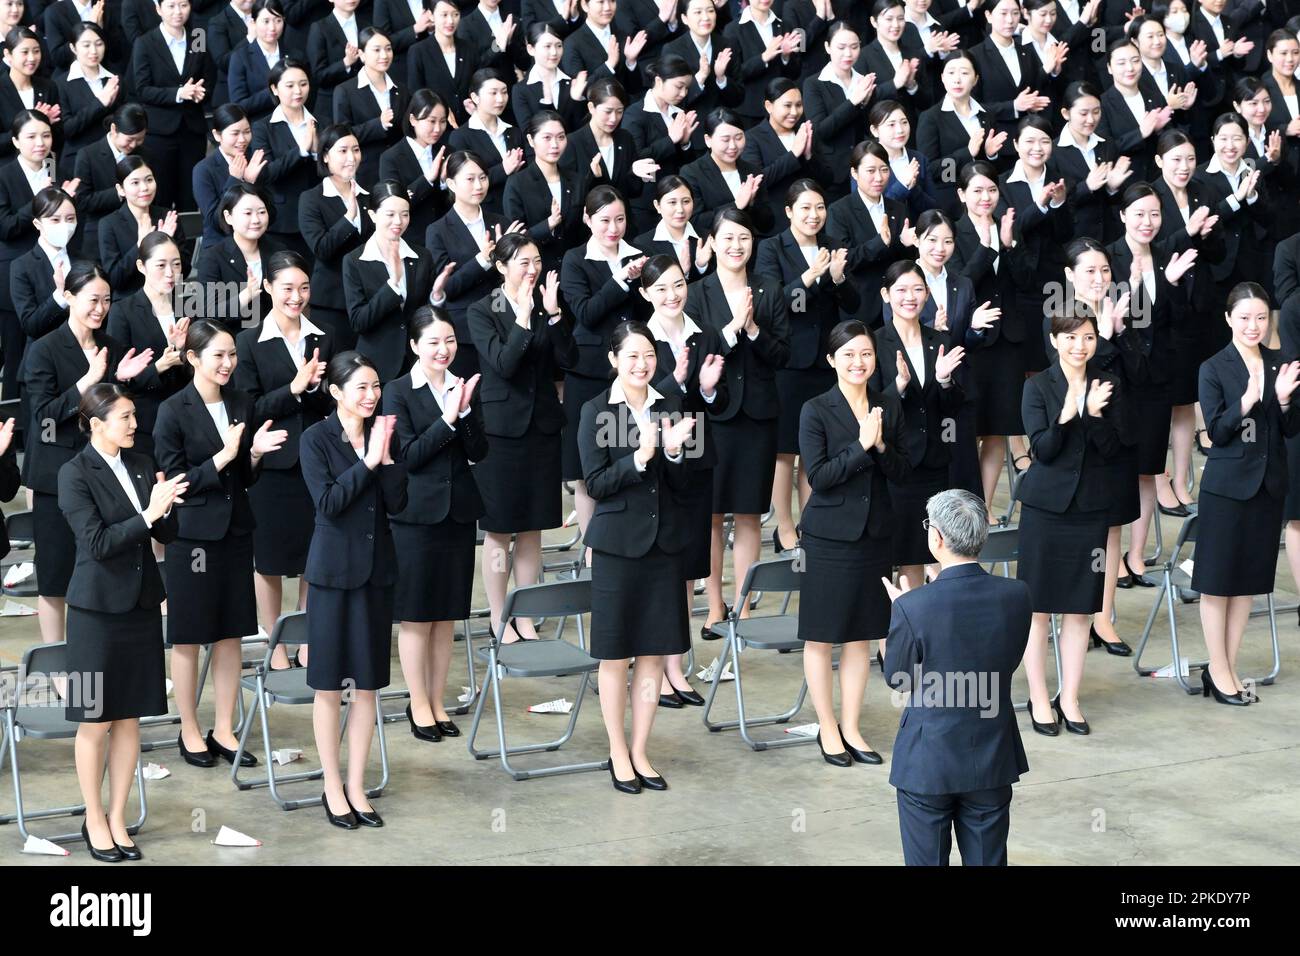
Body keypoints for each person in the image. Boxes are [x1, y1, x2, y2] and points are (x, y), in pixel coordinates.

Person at [58, 384, 187, 862]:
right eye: (126, 417)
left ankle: (117, 815)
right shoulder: (75, 474)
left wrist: (167, 506)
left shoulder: (139, 461)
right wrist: (148, 513)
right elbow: (96, 542)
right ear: (97, 424)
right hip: (95, 611)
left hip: (140, 605)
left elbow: (164, 532)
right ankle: (94, 818)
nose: (135, 425)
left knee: (129, 716)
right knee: (95, 720)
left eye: (135, 416)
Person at [153, 320, 287, 767]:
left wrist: (251, 455)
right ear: (193, 358)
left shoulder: (241, 403)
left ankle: (225, 728)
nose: (228, 363)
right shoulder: (172, 410)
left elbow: (242, 478)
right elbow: (175, 483)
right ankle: (189, 729)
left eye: (232, 354)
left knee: (231, 634)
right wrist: (224, 456)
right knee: (190, 637)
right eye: (219, 356)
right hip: (191, 537)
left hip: (234, 531)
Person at [882, 488, 1032, 867]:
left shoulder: (913, 606)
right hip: (992, 752)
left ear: (937, 538)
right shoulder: (1017, 595)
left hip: (928, 760)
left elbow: (898, 678)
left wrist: (900, 616)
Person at [578, 319, 698, 793]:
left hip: (663, 546)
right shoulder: (593, 410)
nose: (641, 364)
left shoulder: (671, 407)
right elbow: (597, 483)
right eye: (631, 356)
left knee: (651, 655)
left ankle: (641, 749)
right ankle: (616, 750)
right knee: (616, 656)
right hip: (616, 548)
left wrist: (672, 455)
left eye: (648, 355)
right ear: (613, 360)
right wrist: (642, 457)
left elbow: (689, 482)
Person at [23, 262, 158, 649]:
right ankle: (57, 665)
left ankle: (101, 654)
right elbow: (44, 415)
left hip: (107, 471)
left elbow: (115, 410)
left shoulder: (112, 346)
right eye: (92, 299)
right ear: (68, 297)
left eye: (107, 300)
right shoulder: (44, 348)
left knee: (104, 566)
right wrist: (90, 380)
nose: (100, 308)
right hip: (57, 474)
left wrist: (124, 379)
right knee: (56, 573)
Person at [300, 350, 408, 829]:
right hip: (331, 575)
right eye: (361, 388)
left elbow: (400, 500)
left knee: (367, 687)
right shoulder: (315, 439)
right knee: (329, 686)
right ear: (336, 392)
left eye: (376, 386)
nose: (371, 396)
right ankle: (330, 785)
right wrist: (367, 461)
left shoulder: (386, 432)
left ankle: (358, 785)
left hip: (376, 572)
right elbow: (330, 503)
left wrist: (385, 459)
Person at [797, 319, 909, 767]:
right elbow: (819, 477)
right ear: (832, 361)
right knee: (823, 637)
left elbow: (904, 472)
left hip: (877, 534)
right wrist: (861, 447)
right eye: (848, 355)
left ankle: (852, 726)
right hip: (828, 536)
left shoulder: (887, 405)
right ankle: (827, 726)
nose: (858, 362)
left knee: (863, 636)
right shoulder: (816, 409)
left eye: (865, 354)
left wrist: (881, 447)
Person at [1016, 309, 1124, 737]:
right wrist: (1071, 412)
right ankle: (1039, 697)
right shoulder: (1037, 386)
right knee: (1038, 609)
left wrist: (1095, 416)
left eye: (1088, 338)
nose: (1080, 346)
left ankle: (1070, 696)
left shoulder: (1108, 384)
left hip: (1092, 508)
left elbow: (1115, 447)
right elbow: (1042, 448)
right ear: (1055, 341)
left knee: (1080, 608)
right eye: (1071, 338)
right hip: (1045, 509)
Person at [1194, 282, 1300, 705]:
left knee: (1246, 585)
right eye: (1244, 318)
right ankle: (1217, 671)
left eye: (1260, 317)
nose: (1253, 325)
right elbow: (1216, 434)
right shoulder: (1214, 367)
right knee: (1218, 582)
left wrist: (1285, 402)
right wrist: (1248, 401)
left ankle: (1228, 667)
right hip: (1226, 489)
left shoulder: (1281, 363)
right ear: (1228, 320)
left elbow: (1291, 430)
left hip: (1269, 486)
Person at [685, 207, 790, 634]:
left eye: (743, 238)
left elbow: (783, 354)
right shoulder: (696, 293)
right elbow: (695, 355)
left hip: (759, 415)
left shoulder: (769, 289)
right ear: (712, 242)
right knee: (711, 514)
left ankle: (744, 608)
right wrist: (730, 331)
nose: (736, 246)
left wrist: (751, 331)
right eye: (727, 238)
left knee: (748, 513)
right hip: (713, 414)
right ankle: (713, 606)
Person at [467, 233, 576, 642]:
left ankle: (525, 613)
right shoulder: (483, 310)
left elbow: (569, 360)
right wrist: (524, 318)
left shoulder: (548, 302)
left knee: (532, 527)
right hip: (501, 431)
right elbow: (504, 363)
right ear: (501, 267)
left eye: (536, 261)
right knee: (500, 529)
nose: (532, 269)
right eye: (523, 262)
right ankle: (498, 615)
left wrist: (553, 316)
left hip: (543, 427)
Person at [384, 306, 485, 740]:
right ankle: (418, 703)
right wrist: (447, 418)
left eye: (449, 341)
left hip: (458, 511)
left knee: (446, 615)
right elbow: (407, 456)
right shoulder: (397, 391)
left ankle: (439, 700)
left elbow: (480, 449)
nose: (443, 350)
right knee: (416, 615)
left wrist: (463, 415)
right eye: (433, 342)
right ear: (414, 346)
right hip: (416, 514)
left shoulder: (462, 386)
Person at [234, 249, 332, 671]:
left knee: (314, 557)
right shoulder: (248, 342)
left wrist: (320, 390)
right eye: (288, 288)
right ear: (268, 288)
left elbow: (332, 399)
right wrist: (293, 388)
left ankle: (309, 639)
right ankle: (274, 643)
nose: (297, 296)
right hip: (272, 464)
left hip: (316, 460)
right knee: (271, 561)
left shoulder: (322, 336)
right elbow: (249, 408)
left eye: (304, 288)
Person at [637, 254, 726, 706]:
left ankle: (677, 662)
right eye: (661, 289)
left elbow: (719, 403)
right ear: (645, 293)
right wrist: (675, 382)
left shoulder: (704, 333)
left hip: (696, 457)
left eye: (678, 285)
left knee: (690, 563)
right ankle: (659, 662)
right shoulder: (639, 340)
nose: (672, 295)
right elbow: (636, 403)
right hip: (655, 458)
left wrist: (707, 389)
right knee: (663, 565)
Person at [755, 177, 857, 553]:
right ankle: (784, 529)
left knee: (817, 448)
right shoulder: (771, 249)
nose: (814, 215)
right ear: (788, 212)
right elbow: (771, 303)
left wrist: (838, 277)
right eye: (805, 208)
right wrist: (811, 276)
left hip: (824, 360)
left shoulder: (832, 245)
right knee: (786, 450)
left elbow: (852, 300)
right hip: (788, 359)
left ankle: (811, 523)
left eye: (819, 208)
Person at [872, 260, 965, 594]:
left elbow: (955, 405)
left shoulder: (940, 338)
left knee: (939, 545)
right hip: (897, 462)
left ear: (927, 294)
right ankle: (907, 628)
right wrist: (897, 386)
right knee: (906, 551)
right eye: (901, 290)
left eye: (917, 289)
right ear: (886, 295)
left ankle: (934, 624)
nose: (909, 297)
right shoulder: (875, 341)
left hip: (936, 462)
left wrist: (943, 381)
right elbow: (870, 407)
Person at [559, 184, 646, 537]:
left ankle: (632, 538)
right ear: (587, 219)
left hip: (635, 372)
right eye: (605, 220)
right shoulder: (575, 259)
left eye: (620, 219)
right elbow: (586, 313)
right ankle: (594, 548)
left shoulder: (639, 255)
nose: (613, 228)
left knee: (631, 456)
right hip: (590, 372)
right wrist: (620, 279)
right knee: (587, 468)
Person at [105, 231, 193, 460]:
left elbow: (198, 367)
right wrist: (159, 366)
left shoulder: (189, 305)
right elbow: (118, 379)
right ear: (141, 266)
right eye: (161, 265)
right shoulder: (123, 311)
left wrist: (183, 352)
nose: (170, 273)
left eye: (176, 264)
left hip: (187, 415)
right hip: (146, 422)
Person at [342, 179, 438, 382]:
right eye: (390, 214)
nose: (398, 222)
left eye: (405, 214)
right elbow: (358, 321)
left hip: (418, 362)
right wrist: (392, 285)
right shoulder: (354, 261)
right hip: (377, 365)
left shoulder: (421, 256)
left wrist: (437, 298)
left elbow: (425, 310)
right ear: (372, 215)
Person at [129, 0, 216, 211]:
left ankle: (189, 242)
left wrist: (200, 94)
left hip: (192, 129)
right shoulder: (146, 42)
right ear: (158, 9)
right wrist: (178, 93)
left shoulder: (197, 36)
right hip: (160, 132)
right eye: (171, 6)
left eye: (183, 5)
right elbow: (142, 89)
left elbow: (208, 75)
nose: (178, 11)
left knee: (190, 193)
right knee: (162, 193)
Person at [299, 123, 368, 351]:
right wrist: (348, 218)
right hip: (332, 302)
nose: (351, 157)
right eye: (343, 150)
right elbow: (321, 248)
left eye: (356, 150)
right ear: (326, 156)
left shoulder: (370, 196)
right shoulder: (311, 199)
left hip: (370, 299)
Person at [250, 58, 319, 263]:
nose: (298, 91)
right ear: (275, 88)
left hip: (317, 215)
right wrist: (301, 151)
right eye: (289, 85)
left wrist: (316, 155)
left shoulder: (319, 121)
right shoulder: (263, 127)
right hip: (283, 220)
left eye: (303, 84)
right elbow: (267, 174)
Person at [197, 182, 283, 329]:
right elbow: (206, 313)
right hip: (232, 341)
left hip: (274, 337)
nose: (256, 220)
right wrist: (244, 297)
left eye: (262, 212)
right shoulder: (213, 257)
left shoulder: (278, 251)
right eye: (248, 213)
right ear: (228, 216)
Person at [332, 26, 406, 187]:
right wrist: (377, 125)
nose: (384, 55)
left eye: (388, 49)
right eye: (377, 50)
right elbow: (342, 136)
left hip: (400, 168)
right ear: (362, 54)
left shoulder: (401, 88)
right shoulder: (345, 91)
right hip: (367, 170)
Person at [99, 154, 183, 296]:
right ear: (120, 189)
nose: (144, 187)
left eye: (149, 180)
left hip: (169, 298)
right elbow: (114, 279)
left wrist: (166, 245)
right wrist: (140, 245)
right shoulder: (109, 224)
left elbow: (184, 271)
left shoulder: (167, 217)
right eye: (135, 183)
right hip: (128, 304)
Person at [377, 87, 450, 249]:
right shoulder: (391, 158)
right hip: (411, 239)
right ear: (413, 120)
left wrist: (445, 183)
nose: (438, 128)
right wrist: (428, 179)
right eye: (431, 121)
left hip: (446, 236)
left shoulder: (447, 150)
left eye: (443, 121)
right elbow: (393, 203)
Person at [73, 103, 147, 260]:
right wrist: (120, 193)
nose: (134, 145)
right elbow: (83, 200)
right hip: (99, 234)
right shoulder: (87, 155)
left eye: (140, 139)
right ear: (114, 129)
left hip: (137, 231)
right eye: (130, 139)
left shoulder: (144, 154)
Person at [54, 22, 121, 182]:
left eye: (99, 44)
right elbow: (66, 129)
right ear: (73, 48)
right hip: (76, 161)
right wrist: (99, 103)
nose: (93, 51)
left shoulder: (114, 78)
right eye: (86, 45)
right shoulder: (60, 83)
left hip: (114, 159)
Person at [193, 105, 266, 246]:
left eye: (247, 132)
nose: (242, 139)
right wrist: (237, 180)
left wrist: (251, 182)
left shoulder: (254, 161)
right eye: (235, 133)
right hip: (220, 246)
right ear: (217, 135)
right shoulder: (203, 170)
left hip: (257, 243)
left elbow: (271, 212)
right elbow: (216, 221)